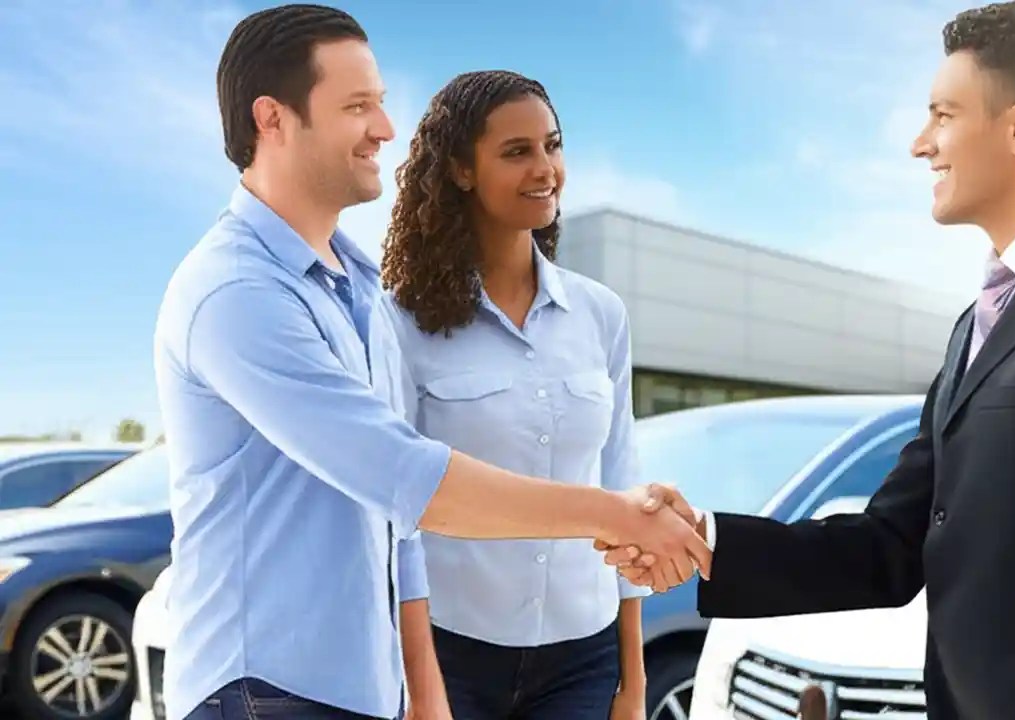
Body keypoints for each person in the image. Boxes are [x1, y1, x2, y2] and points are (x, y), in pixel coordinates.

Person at [604, 2, 1015, 719]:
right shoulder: (979, 323)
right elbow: (888, 547)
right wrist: (704, 539)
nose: (920, 144)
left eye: (943, 115)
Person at [153, 6, 707, 720]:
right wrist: (619, 517)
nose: (384, 128)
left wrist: (421, 695)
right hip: (263, 693)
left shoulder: (353, 289)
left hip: (361, 690)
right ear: (273, 119)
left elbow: (397, 528)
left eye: (381, 104)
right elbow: (408, 478)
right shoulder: (238, 294)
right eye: (358, 106)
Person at [367, 69, 652, 720]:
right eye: (517, 151)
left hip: (585, 657)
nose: (545, 168)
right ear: (462, 170)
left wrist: (631, 683)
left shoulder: (601, 315)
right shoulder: (399, 323)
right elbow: (397, 515)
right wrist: (421, 688)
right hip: (451, 655)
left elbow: (622, 484)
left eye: (552, 146)